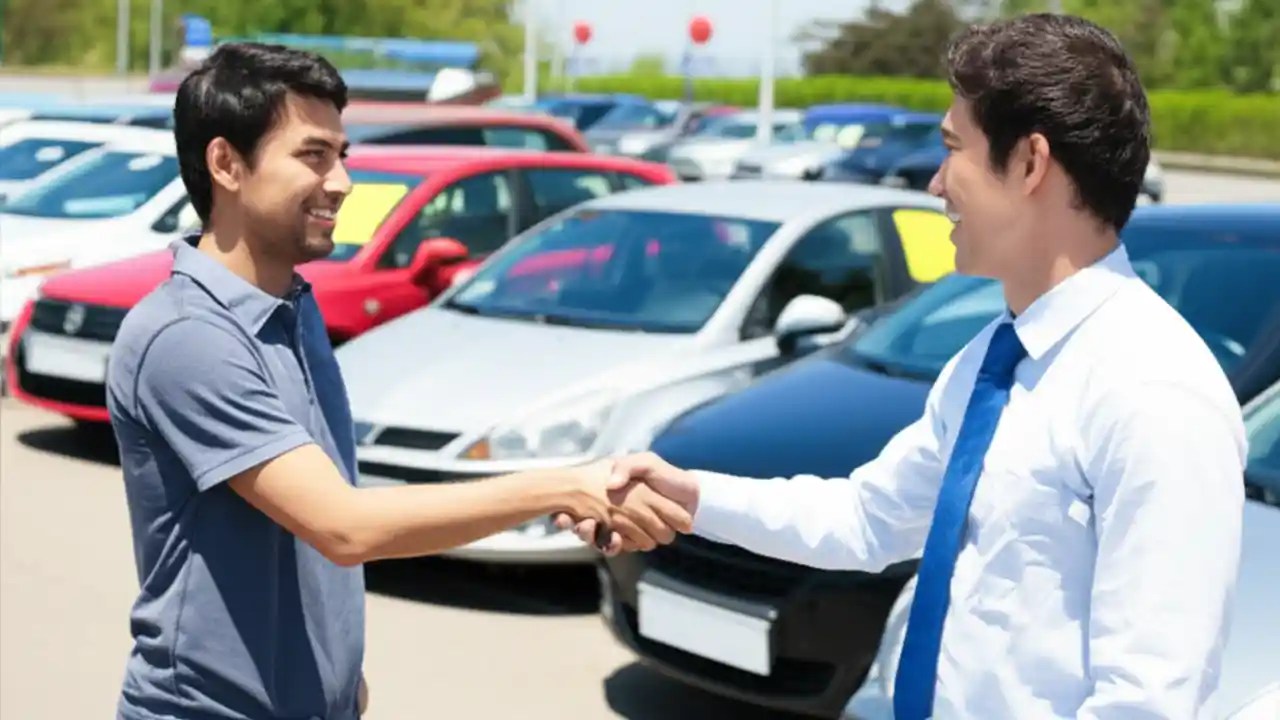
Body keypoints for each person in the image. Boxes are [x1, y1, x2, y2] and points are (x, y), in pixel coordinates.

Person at [559, 13, 1247, 719]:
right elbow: (866, 519)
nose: (936, 184)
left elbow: (1149, 704)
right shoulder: (993, 358)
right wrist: (689, 496)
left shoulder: (1155, 393)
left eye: (954, 149)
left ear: (1031, 163)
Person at [105, 43, 688, 720]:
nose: (342, 181)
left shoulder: (291, 306)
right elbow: (345, 526)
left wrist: (337, 674)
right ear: (226, 163)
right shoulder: (189, 337)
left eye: (343, 154)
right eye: (313, 155)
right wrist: (565, 484)